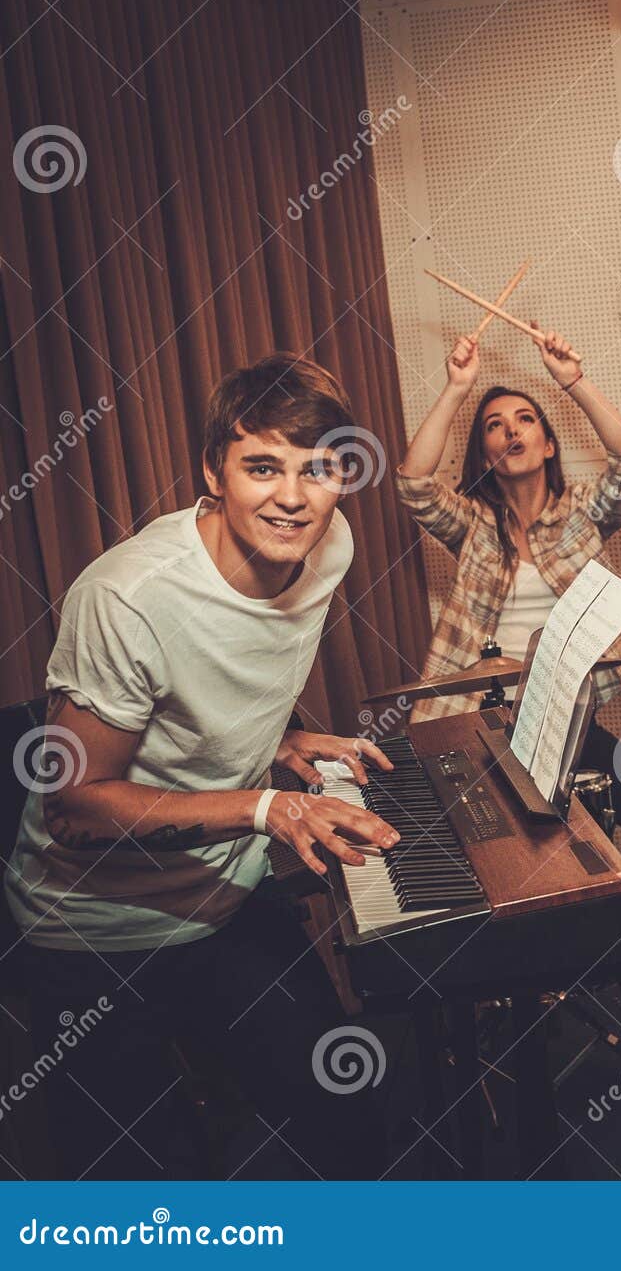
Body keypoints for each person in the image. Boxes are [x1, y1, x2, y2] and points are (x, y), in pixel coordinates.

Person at [6, 354, 399, 1179]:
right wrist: (266, 806)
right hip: (95, 932)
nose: (293, 496)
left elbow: (228, 669)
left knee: (349, 1115)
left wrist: (278, 740)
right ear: (214, 473)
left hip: (222, 898)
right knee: (143, 1199)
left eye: (319, 469)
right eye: (263, 466)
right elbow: (73, 807)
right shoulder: (128, 598)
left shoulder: (329, 547)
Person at [396, 321, 621, 836]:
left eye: (525, 419)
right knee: (515, 843)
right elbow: (413, 485)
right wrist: (456, 387)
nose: (511, 430)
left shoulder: (583, 513)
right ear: (485, 454)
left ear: (547, 446)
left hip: (573, 713)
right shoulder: (473, 524)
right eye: (494, 425)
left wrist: (572, 380)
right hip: (486, 717)